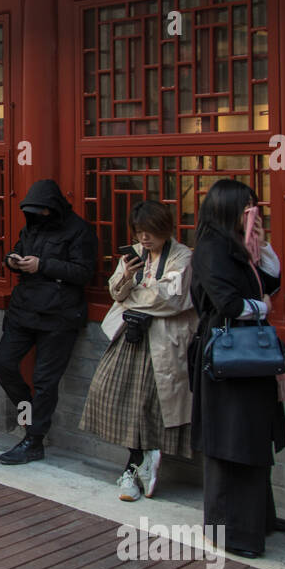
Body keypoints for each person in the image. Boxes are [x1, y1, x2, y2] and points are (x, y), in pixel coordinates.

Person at [189, 179, 285, 558]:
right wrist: (263, 307)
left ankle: (259, 518)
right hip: (227, 360)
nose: (254, 211)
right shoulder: (211, 248)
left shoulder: (238, 246)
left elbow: (271, 284)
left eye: (255, 205)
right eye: (247, 205)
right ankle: (231, 532)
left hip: (249, 357)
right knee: (230, 443)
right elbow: (230, 304)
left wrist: (261, 247)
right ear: (227, 208)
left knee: (251, 437)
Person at [82, 200, 194, 497]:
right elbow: (115, 291)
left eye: (150, 232)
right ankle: (140, 461)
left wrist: (130, 296)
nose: (144, 238)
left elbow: (170, 297)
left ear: (165, 229)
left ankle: (136, 466)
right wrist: (127, 278)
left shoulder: (182, 256)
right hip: (129, 336)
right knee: (110, 393)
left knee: (149, 406)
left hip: (163, 342)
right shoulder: (134, 255)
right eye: (139, 232)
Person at [0, 179, 98, 465]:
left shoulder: (79, 230)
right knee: (2, 364)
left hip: (59, 316)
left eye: (42, 211)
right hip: (24, 309)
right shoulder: (32, 225)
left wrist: (43, 265)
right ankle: (30, 415)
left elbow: (84, 271)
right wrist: (11, 261)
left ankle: (34, 441)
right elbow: (17, 247)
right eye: (32, 211)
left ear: (53, 208)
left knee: (45, 381)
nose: (37, 215)